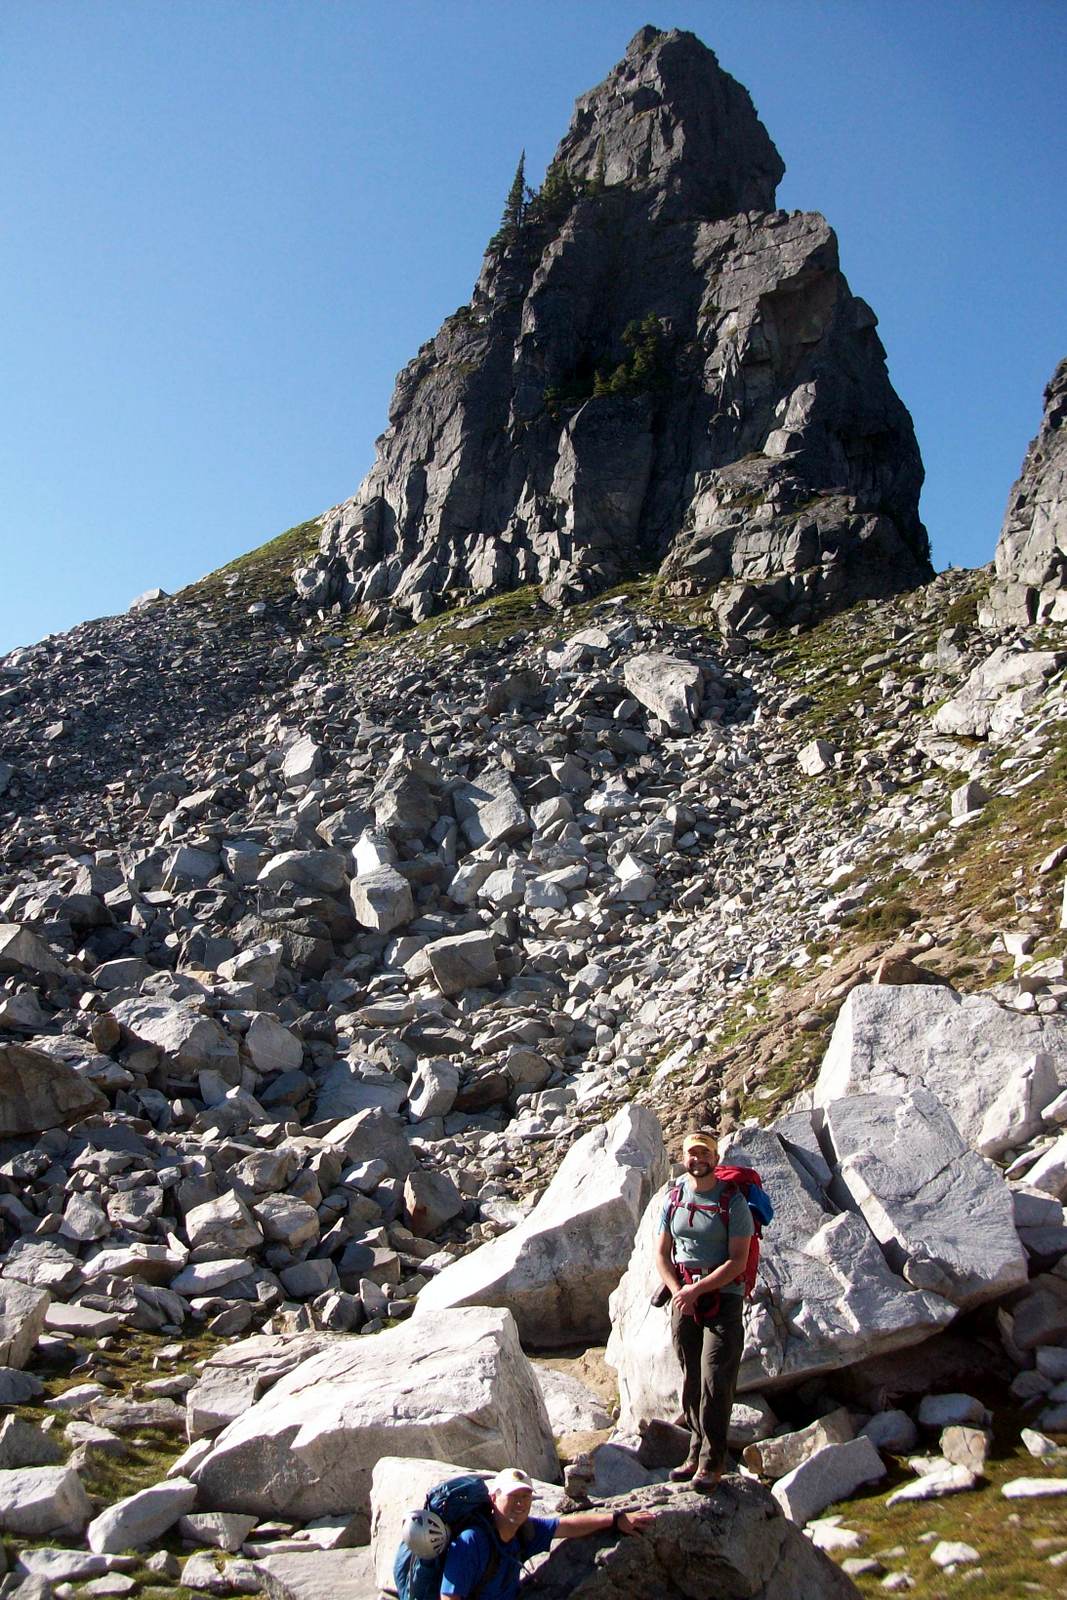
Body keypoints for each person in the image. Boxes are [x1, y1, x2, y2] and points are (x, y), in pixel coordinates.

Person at [654, 1129, 753, 1494]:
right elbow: (662, 1254)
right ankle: (694, 1453)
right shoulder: (674, 1198)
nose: (699, 1160)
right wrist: (680, 1291)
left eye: (705, 1154)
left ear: (716, 1159)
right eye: (693, 1154)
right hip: (684, 1298)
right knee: (691, 1377)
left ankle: (713, 1462)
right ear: (684, 1158)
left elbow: (737, 1261)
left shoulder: (733, 1202)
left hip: (721, 1298)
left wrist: (697, 1289)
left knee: (715, 1378)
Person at [439, 1467, 655, 1600]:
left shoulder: (524, 1530)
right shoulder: (471, 1541)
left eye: (526, 1496)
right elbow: (448, 1596)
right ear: (494, 1499)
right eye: (513, 1496)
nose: (520, 1503)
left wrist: (616, 1520)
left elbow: (567, 1526)